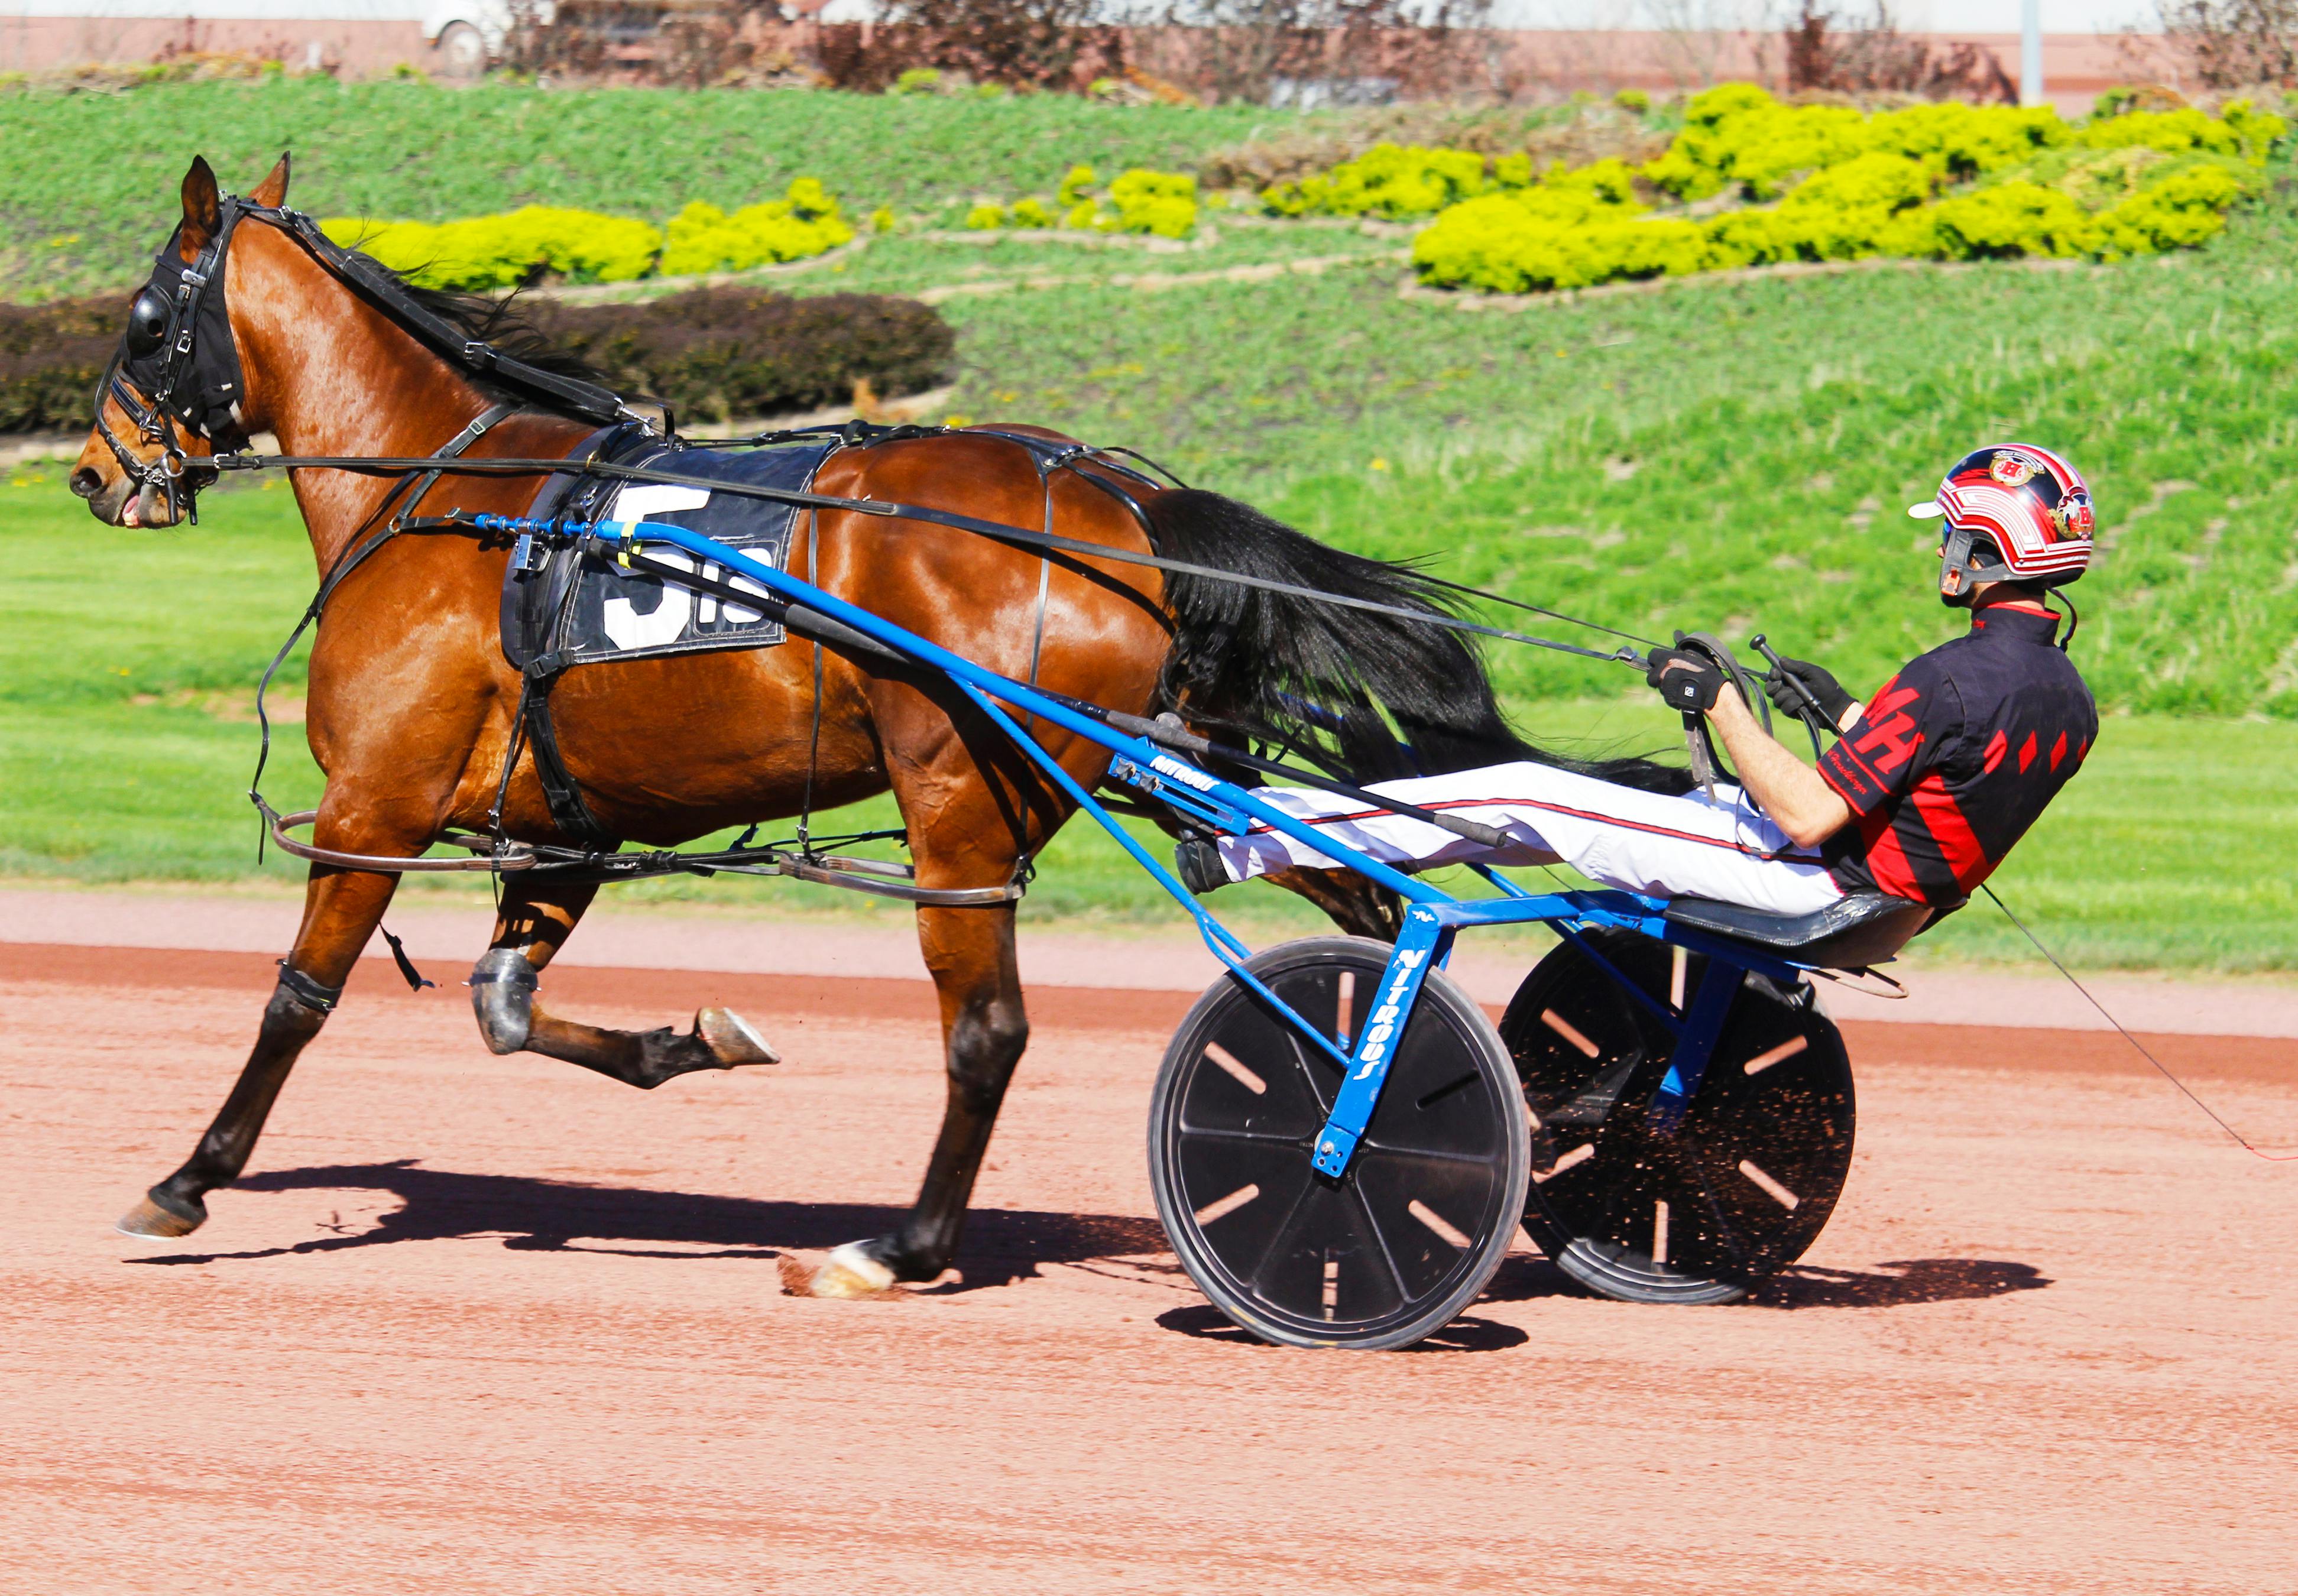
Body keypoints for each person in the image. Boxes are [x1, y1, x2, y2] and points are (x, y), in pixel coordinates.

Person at [1197, 442, 2102, 922]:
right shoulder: (2068, 698)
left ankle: (1248, 840)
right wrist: (1844, 713)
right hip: (1879, 896)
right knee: (1530, 816)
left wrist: (1724, 706)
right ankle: (1323, 845)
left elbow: (1811, 816)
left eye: (1953, 537)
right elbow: (1953, 773)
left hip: (1806, 874)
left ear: (1987, 552)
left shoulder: (1947, 676)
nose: (1942, 552)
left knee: (1524, 793)